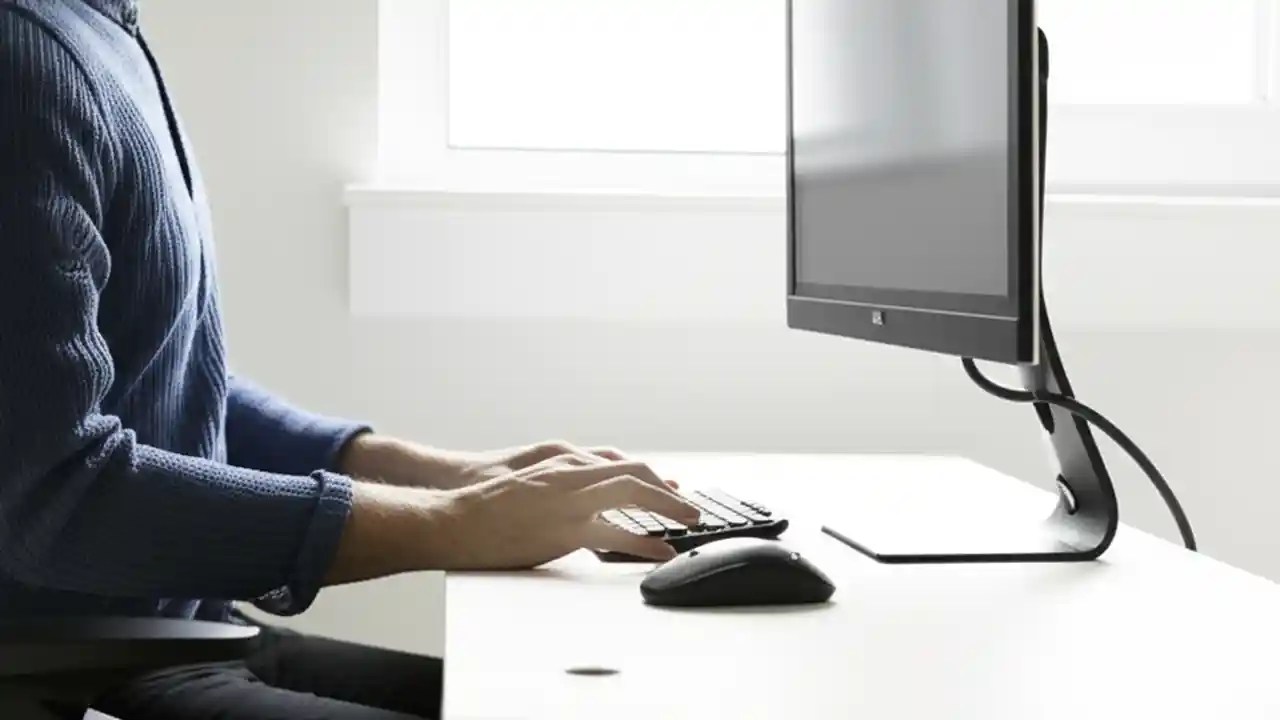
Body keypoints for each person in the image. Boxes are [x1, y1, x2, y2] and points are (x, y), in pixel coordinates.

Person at [0, 1, 700, 718]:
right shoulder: (23, 65)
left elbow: (162, 384)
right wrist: (453, 522)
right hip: (84, 666)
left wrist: (444, 476)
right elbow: (51, 499)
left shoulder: (95, 27)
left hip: (183, 631)